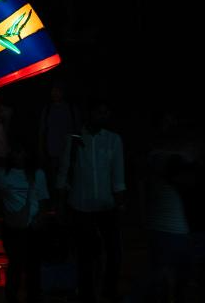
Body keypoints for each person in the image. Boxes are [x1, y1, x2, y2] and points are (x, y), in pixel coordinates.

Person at [56, 100, 126, 303]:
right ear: (90, 114)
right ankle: (87, 293)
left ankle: (108, 290)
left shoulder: (113, 140)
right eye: (99, 112)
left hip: (107, 205)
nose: (103, 116)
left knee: (113, 252)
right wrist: (60, 204)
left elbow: (118, 174)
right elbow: (63, 172)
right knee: (85, 254)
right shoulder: (74, 139)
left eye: (106, 112)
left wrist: (120, 203)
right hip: (81, 204)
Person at [0, 141, 49, 303]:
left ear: (27, 154)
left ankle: (32, 297)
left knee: (32, 266)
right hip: (12, 227)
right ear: (11, 154)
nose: (19, 156)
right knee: (16, 265)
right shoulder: (2, 174)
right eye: (16, 152)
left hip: (32, 226)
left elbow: (44, 199)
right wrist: (1, 208)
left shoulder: (37, 174)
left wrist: (39, 218)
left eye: (22, 152)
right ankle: (12, 298)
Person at [37, 80, 80, 183]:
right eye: (53, 91)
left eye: (58, 90)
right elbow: (42, 131)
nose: (55, 93)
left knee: (66, 180)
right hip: (51, 152)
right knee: (52, 179)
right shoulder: (47, 109)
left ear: (63, 92)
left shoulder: (71, 109)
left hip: (68, 152)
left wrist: (75, 151)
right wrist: (41, 149)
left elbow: (77, 131)